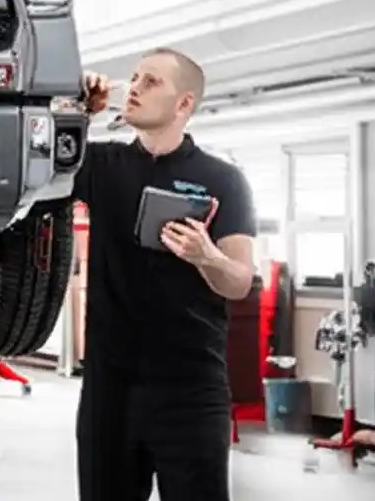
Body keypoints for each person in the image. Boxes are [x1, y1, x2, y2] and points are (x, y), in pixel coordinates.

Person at [73, 48, 258, 501]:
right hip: (108, 390)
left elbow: (239, 281)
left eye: (151, 81)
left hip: (190, 390)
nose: (133, 87)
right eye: (133, 78)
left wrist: (205, 255)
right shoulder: (99, 165)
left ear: (184, 104)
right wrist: (78, 113)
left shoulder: (224, 180)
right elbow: (33, 158)